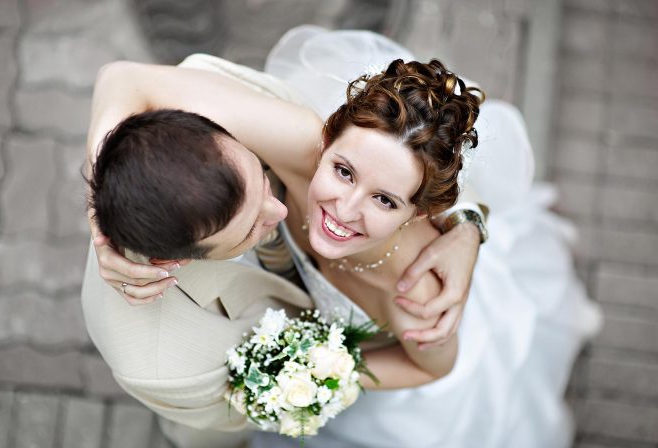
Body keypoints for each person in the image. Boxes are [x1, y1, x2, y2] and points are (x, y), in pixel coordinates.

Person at [88, 27, 601, 448]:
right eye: (344, 171)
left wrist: (320, 376)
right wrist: (102, 211)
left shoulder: (418, 289)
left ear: (416, 212)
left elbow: (431, 369)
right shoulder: (299, 146)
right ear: (327, 142)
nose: (343, 211)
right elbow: (122, 80)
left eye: (385, 200)